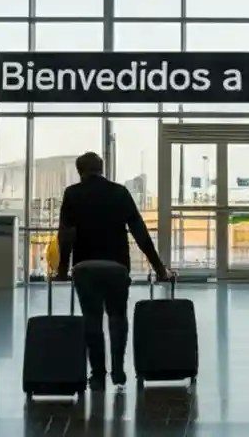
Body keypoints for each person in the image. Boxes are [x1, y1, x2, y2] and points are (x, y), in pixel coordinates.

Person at [57, 152, 169, 391]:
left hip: (85, 267)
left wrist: (62, 269)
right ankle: (118, 368)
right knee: (118, 316)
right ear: (101, 168)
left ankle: (98, 374)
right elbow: (140, 233)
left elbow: (66, 236)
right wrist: (159, 268)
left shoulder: (72, 194)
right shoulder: (119, 192)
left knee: (92, 319)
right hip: (116, 267)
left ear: (80, 171)